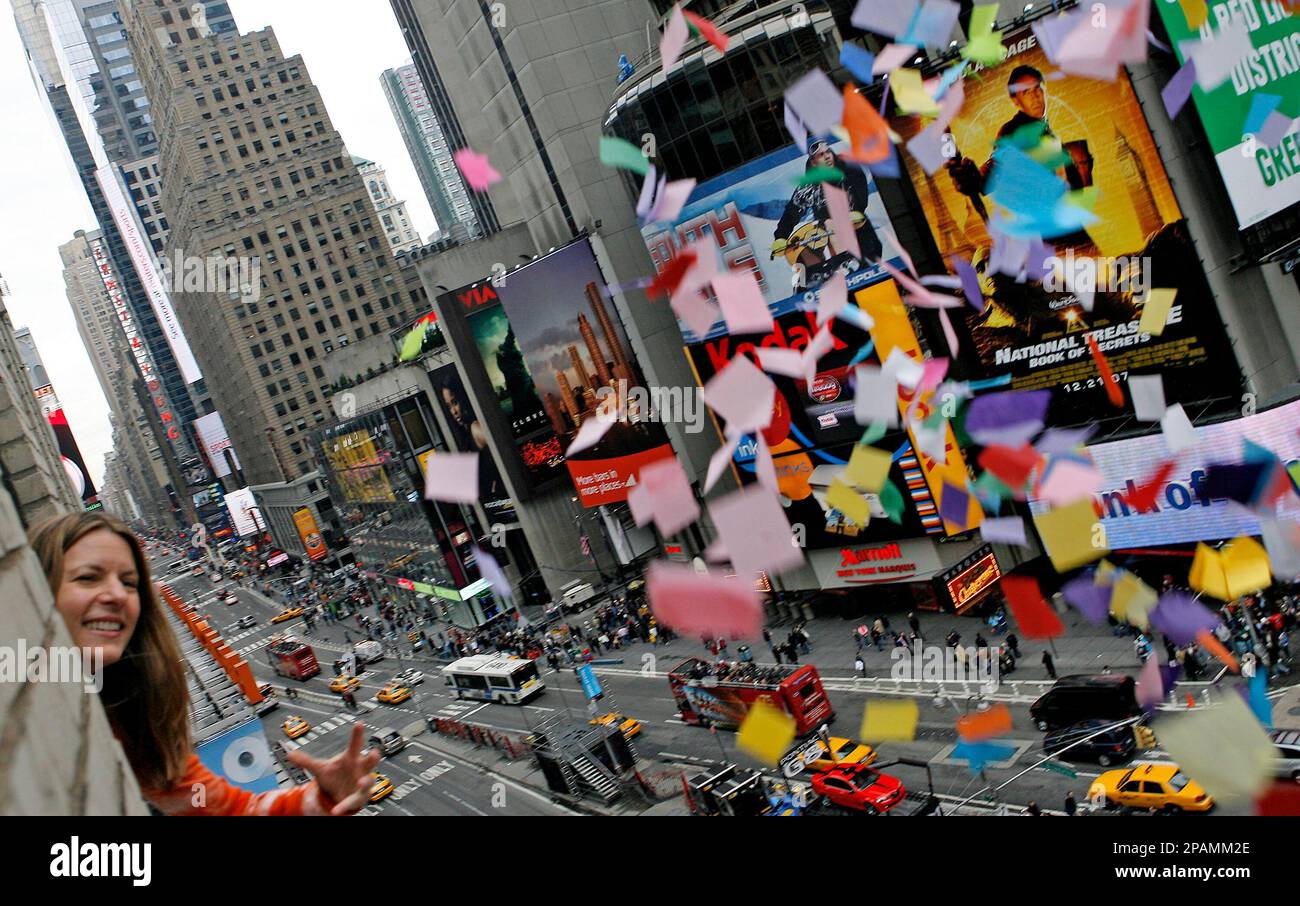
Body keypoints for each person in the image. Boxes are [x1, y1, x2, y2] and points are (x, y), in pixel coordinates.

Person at [29, 511, 378, 816]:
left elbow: (229, 811)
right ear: (34, 592)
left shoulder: (135, 730)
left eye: (129, 583)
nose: (117, 595)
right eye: (88, 577)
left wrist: (324, 798)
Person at [771, 140, 884, 281]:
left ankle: (855, 266)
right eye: (821, 155)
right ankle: (835, 269)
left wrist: (856, 209)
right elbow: (791, 212)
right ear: (813, 162)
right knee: (818, 236)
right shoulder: (809, 186)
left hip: (857, 228)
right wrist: (781, 236)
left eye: (828, 152)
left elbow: (859, 188)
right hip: (830, 235)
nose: (827, 156)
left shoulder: (847, 170)